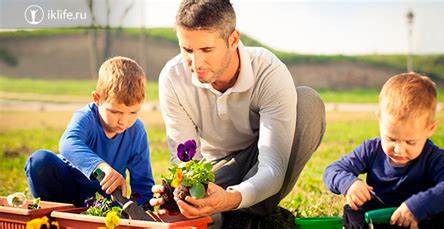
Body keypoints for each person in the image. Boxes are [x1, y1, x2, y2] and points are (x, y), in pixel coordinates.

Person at [150, 0, 326, 225]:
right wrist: (180, 195)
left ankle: (246, 215)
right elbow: (186, 161)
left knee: (309, 103)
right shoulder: (173, 78)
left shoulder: (268, 71)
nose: (196, 63)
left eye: (206, 49)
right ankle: (224, 217)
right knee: (181, 211)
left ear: (233, 40)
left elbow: (273, 167)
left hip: (262, 159)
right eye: (187, 50)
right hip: (215, 172)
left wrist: (230, 200)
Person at [323, 73, 444, 229]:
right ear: (380, 120)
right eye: (391, 138)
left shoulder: (432, 157)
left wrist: (419, 206)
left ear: (430, 129)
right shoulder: (371, 149)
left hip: (419, 219)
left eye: (410, 142)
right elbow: (332, 170)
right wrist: (348, 183)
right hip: (380, 217)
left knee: (441, 217)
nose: (398, 149)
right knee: (354, 212)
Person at [24, 56, 155, 207]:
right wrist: (101, 167)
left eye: (133, 113)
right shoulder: (87, 117)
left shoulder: (136, 132)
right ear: (97, 99)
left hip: (103, 202)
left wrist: (145, 214)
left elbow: (143, 185)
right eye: (115, 112)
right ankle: (55, 217)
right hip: (67, 189)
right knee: (39, 161)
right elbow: (68, 143)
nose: (124, 121)